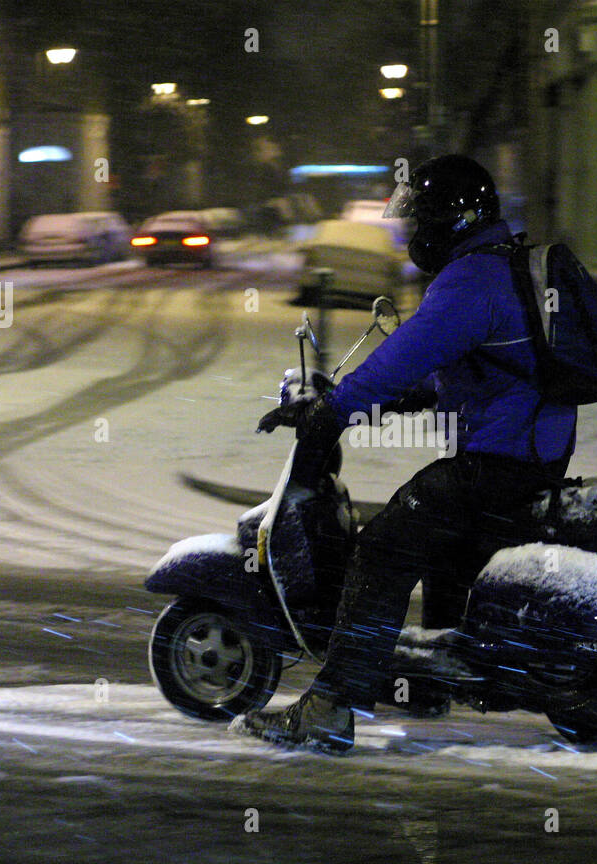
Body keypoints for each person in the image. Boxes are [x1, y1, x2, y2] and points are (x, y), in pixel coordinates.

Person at [235, 154, 577, 753]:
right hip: (530, 452)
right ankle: (428, 684)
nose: (416, 232)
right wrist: (386, 401)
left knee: (384, 546)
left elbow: (399, 360)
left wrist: (334, 411)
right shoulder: (501, 266)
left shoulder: (471, 281)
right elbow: (457, 369)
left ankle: (332, 705)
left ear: (455, 219)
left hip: (502, 462)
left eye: (423, 218)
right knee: (444, 546)